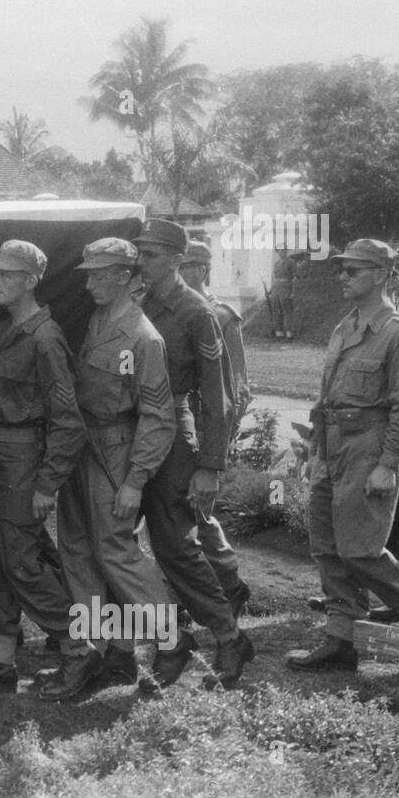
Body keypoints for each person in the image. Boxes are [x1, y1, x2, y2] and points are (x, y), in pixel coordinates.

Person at [0, 240, 85, 693]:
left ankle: (80, 649)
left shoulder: (45, 338)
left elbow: (68, 421)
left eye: (5, 275)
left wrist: (47, 483)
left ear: (29, 281)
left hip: (23, 459)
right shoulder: (5, 329)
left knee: (22, 560)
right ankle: (0, 655)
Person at [288, 239, 399, 672]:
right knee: (327, 548)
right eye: (341, 269)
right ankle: (341, 640)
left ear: (382, 274)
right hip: (331, 447)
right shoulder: (344, 327)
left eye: (354, 270)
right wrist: (314, 451)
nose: (343, 276)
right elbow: (325, 398)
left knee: (360, 550)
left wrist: (387, 465)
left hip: (369, 447)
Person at [53, 237, 177, 698]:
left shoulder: (144, 338)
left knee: (115, 552)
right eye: (87, 273)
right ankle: (107, 651)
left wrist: (135, 480)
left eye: (98, 274)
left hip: (117, 450)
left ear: (125, 276)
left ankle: (172, 641)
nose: (88, 283)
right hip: (84, 447)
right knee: (79, 552)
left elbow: (158, 416)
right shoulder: (99, 320)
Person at [134, 218, 254, 691]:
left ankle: (227, 636)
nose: (141, 261)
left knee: (176, 548)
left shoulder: (195, 312)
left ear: (177, 260)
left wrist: (209, 465)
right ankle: (167, 643)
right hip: (135, 433)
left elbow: (218, 396)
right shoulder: (139, 303)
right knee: (123, 549)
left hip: (174, 435)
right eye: (140, 253)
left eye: (151, 255)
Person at [179, 241, 252, 619]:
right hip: (174, 425)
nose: (181, 273)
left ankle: (230, 586)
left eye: (188, 265)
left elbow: (237, 389)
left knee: (200, 511)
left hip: (206, 427)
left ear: (203, 270)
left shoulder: (223, 317)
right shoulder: (169, 310)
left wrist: (218, 444)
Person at [272, 248, 297, 339]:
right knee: (277, 310)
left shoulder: (291, 262)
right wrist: (272, 290)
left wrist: (293, 292)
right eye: (280, 250)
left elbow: (294, 278)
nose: (282, 252)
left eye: (284, 250)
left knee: (287, 310)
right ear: (277, 252)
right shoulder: (276, 264)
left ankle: (289, 333)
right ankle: (279, 333)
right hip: (276, 289)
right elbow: (275, 279)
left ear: (287, 251)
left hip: (286, 288)